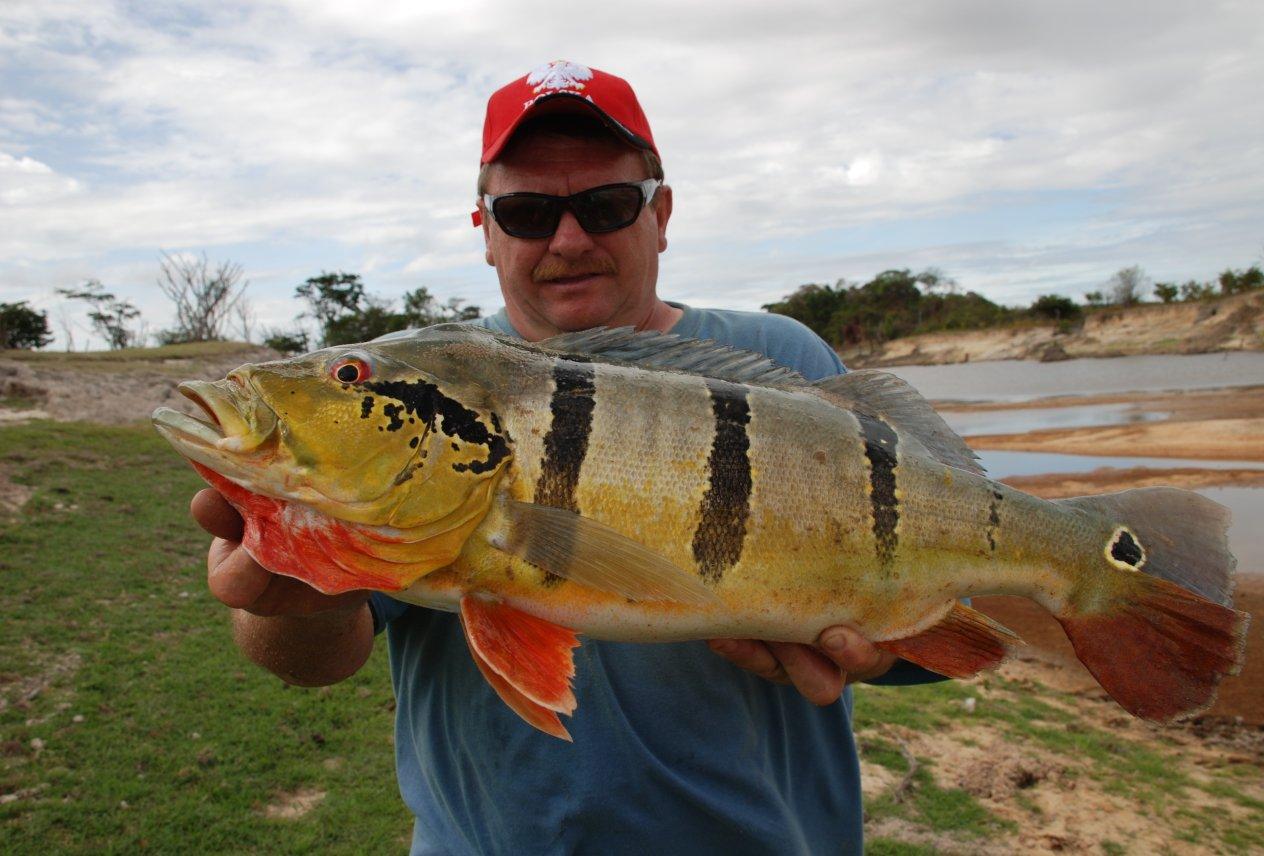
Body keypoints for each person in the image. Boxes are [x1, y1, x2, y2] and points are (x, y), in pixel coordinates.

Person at [193, 61, 944, 855]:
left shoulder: (786, 362)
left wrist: (890, 654)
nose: (569, 240)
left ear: (662, 214)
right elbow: (315, 659)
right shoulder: (426, 388)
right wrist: (287, 596)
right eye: (525, 212)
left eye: (607, 205)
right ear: (484, 232)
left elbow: (972, 613)